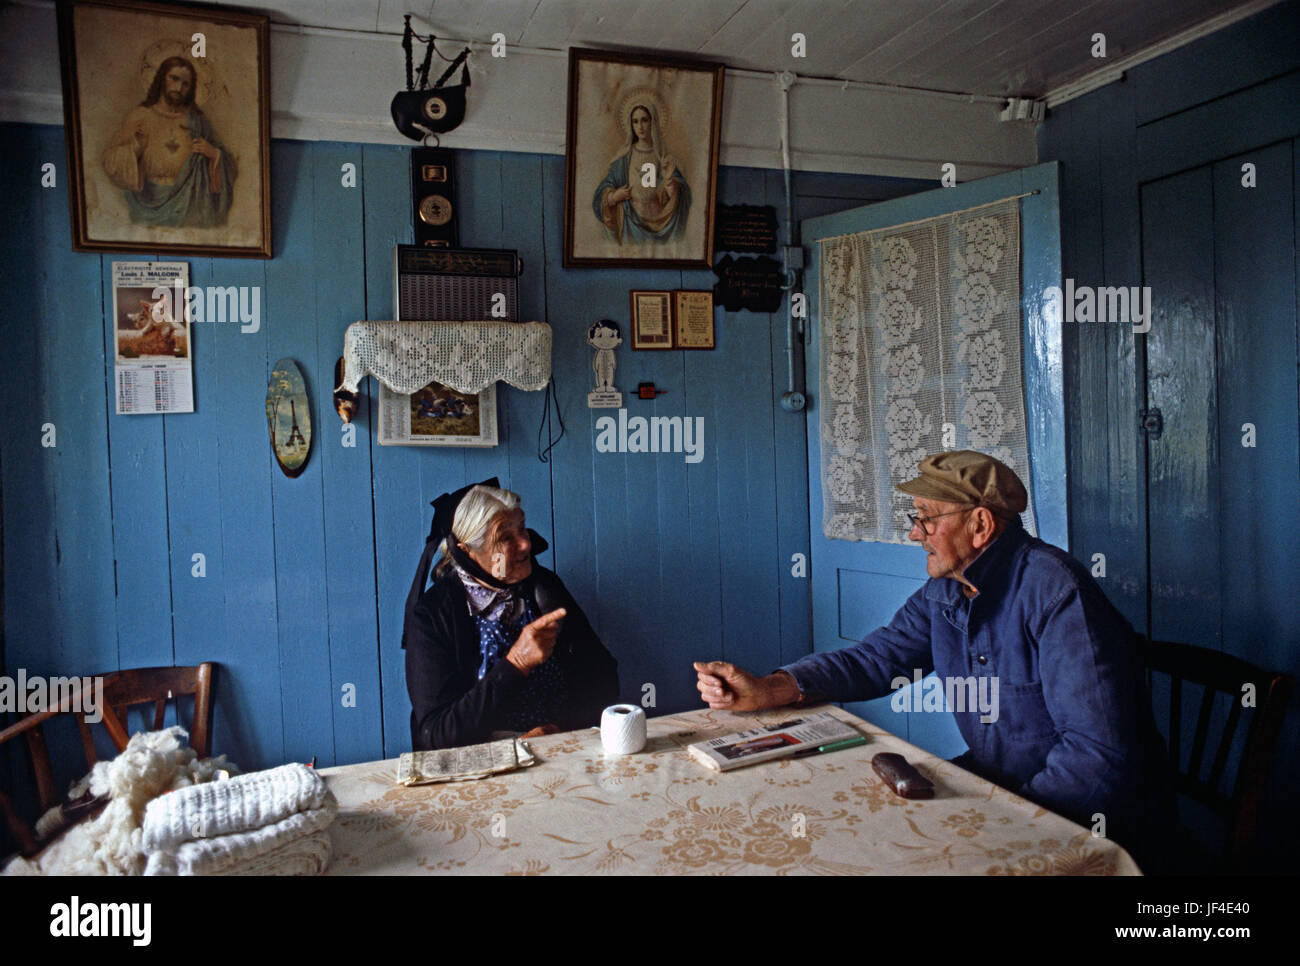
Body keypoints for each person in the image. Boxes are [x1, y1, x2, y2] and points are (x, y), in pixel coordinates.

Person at [694, 450, 1175, 869]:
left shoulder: (1057, 593)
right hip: (999, 787)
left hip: (1088, 818)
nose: (914, 534)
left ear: (980, 525)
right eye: (915, 518)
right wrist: (769, 689)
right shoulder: (947, 588)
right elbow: (877, 658)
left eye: (926, 519)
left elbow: (1099, 757)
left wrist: (1005, 824)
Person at [405, 482, 619, 750]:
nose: (526, 543)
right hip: (479, 763)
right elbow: (436, 735)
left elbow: (603, 677)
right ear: (466, 551)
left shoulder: (544, 587)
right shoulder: (433, 615)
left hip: (555, 745)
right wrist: (517, 663)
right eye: (505, 537)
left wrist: (561, 728)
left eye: (522, 528)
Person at [101, 56, 234, 228]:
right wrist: (134, 147)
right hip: (147, 201)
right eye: (174, 79)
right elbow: (110, 160)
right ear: (162, 78)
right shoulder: (140, 116)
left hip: (189, 203)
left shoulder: (197, 121)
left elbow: (229, 165)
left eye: (186, 84)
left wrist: (215, 154)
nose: (179, 88)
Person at [592, 102, 689, 245]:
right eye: (635, 121)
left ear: (653, 122)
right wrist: (613, 197)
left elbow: (682, 197)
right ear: (631, 125)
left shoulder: (663, 158)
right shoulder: (624, 159)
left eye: (644, 120)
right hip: (630, 223)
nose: (640, 126)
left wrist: (670, 183)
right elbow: (604, 189)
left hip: (660, 222)